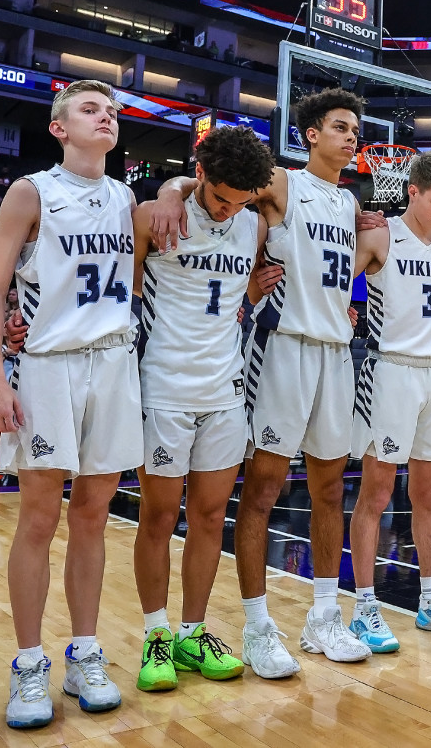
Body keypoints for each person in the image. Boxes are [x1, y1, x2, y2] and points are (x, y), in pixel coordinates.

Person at [150, 88, 399, 670]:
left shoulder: (347, 203)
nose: (352, 136)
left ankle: (322, 618)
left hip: (337, 353)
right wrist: (166, 189)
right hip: (281, 348)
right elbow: (212, 184)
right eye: (341, 126)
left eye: (355, 129)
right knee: (262, 491)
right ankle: (259, 626)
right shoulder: (282, 183)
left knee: (330, 490)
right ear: (311, 134)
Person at [0, 80, 143, 728]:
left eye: (111, 111)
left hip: (113, 364)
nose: (105, 117)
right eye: (89, 109)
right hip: (49, 367)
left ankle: (85, 652)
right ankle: (27, 665)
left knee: (95, 516)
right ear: (59, 128)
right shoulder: (32, 191)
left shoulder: (126, 197)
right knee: (39, 519)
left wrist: (175, 189)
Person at [130, 126, 277, 692]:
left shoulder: (253, 221)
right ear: (200, 173)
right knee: (159, 517)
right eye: (219, 198)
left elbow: (231, 293)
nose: (227, 210)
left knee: (212, 519)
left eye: (238, 202)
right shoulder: (155, 216)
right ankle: (156, 635)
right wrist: (172, 191)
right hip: (163, 387)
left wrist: (251, 294)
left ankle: (193, 632)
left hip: (224, 392)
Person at [349, 151, 431, 648]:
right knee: (376, 495)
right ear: (412, 192)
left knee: (427, 495)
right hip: (390, 370)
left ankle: (429, 600)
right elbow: (336, 281)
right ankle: (363, 606)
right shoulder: (381, 235)